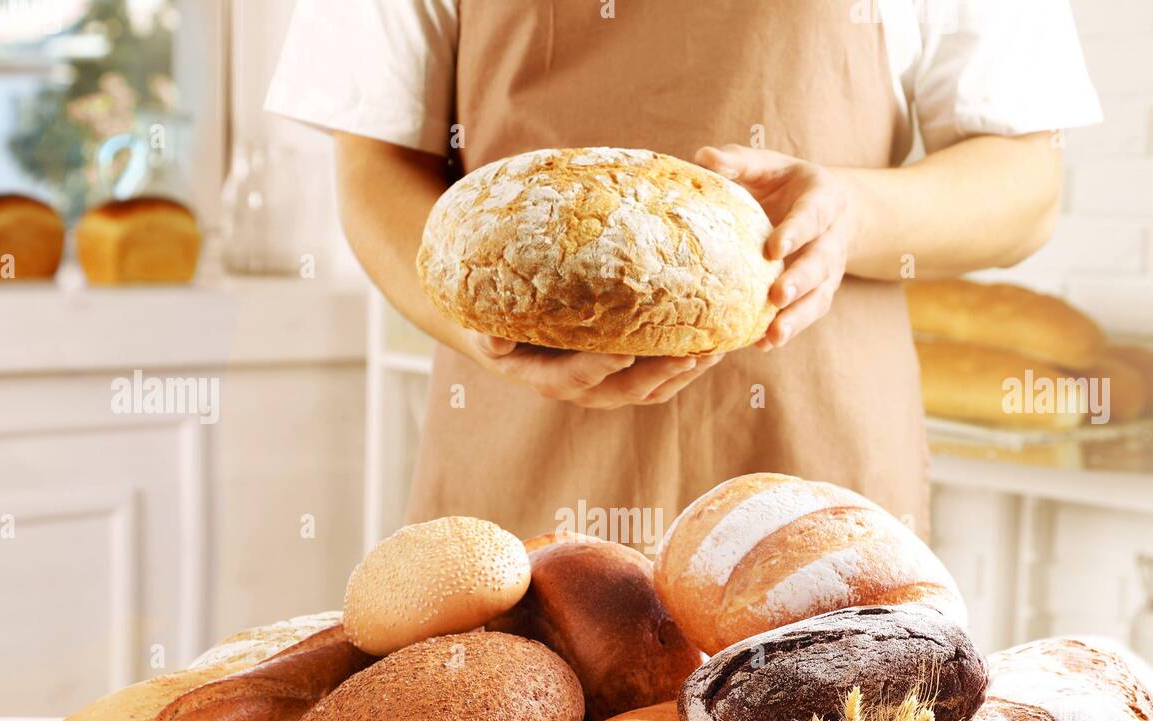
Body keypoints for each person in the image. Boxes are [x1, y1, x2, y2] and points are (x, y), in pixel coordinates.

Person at [267, 0, 1100, 545]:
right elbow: (373, 166)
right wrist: (473, 325)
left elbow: (1027, 183)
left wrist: (850, 212)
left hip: (818, 473)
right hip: (519, 473)